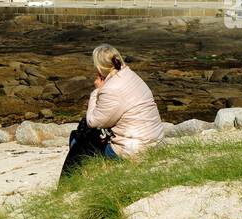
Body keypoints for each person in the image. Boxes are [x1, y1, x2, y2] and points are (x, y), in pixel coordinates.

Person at [59, 44, 164, 181]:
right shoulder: (131, 75)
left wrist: (96, 91)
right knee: (87, 133)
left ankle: (71, 179)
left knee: (81, 137)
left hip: (134, 149)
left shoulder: (111, 88)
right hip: (154, 141)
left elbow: (93, 121)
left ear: (98, 68)